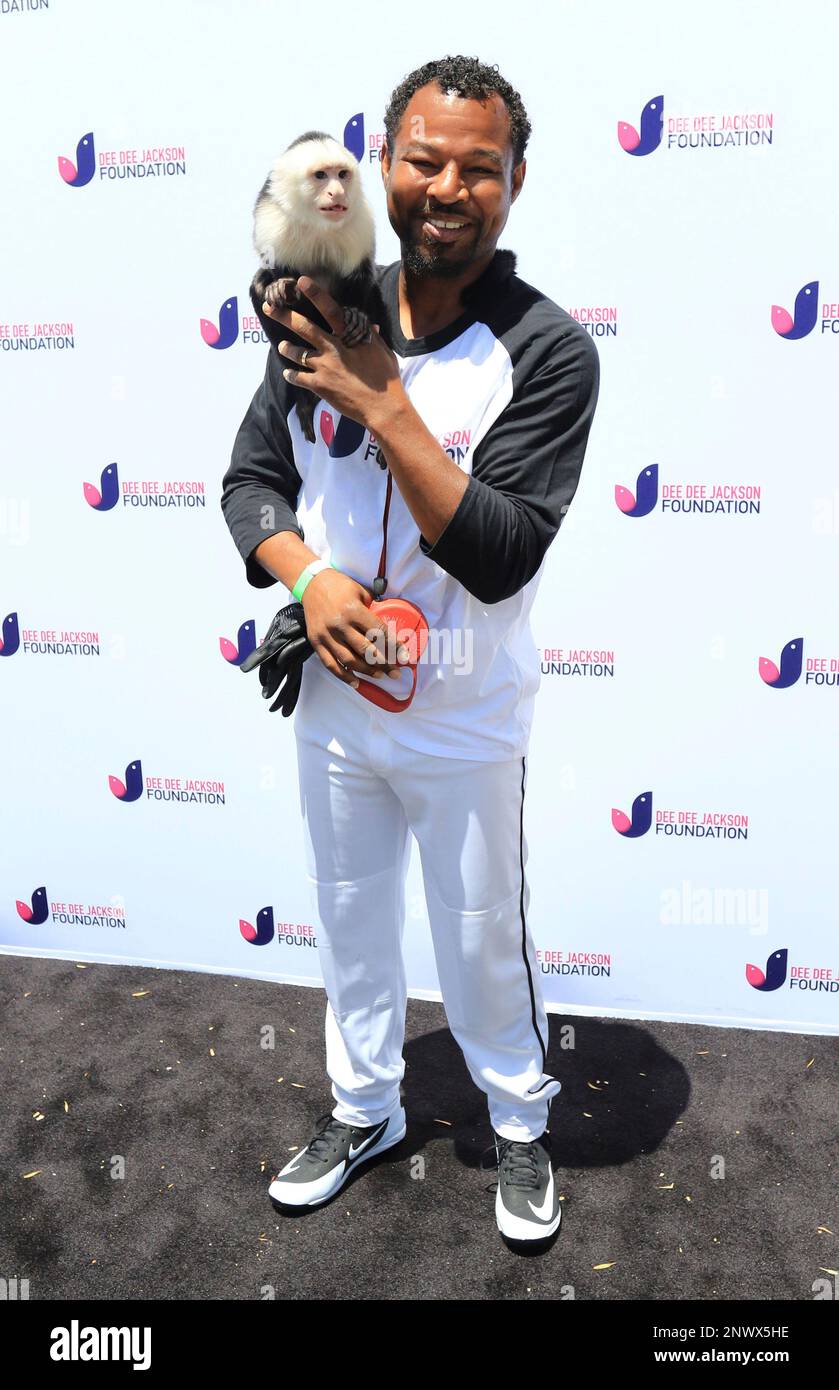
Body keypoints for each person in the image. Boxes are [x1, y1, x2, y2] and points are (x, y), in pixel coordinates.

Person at [220, 54, 600, 1244]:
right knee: (348, 915)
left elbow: (496, 551)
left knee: (483, 934)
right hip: (334, 692)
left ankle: (521, 1122)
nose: (446, 188)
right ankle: (364, 1106)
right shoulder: (312, 304)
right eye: (422, 160)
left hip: (462, 708)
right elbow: (251, 482)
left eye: (475, 169)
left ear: (513, 182)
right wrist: (311, 577)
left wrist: (382, 400)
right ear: (381, 165)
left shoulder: (547, 352)